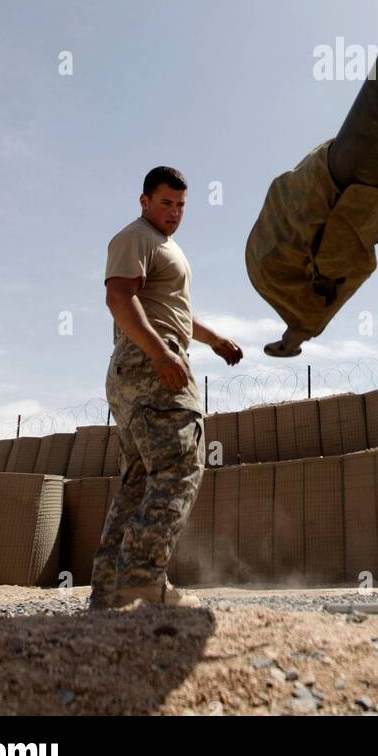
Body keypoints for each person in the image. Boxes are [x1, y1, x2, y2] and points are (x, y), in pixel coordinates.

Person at [88, 166, 242, 610]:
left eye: (180, 205)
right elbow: (119, 296)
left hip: (141, 365)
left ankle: (111, 592)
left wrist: (214, 340)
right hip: (151, 365)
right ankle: (142, 580)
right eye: (165, 203)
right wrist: (160, 354)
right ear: (144, 202)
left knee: (139, 480)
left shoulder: (163, 248)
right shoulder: (135, 236)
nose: (174, 213)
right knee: (180, 464)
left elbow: (172, 311)